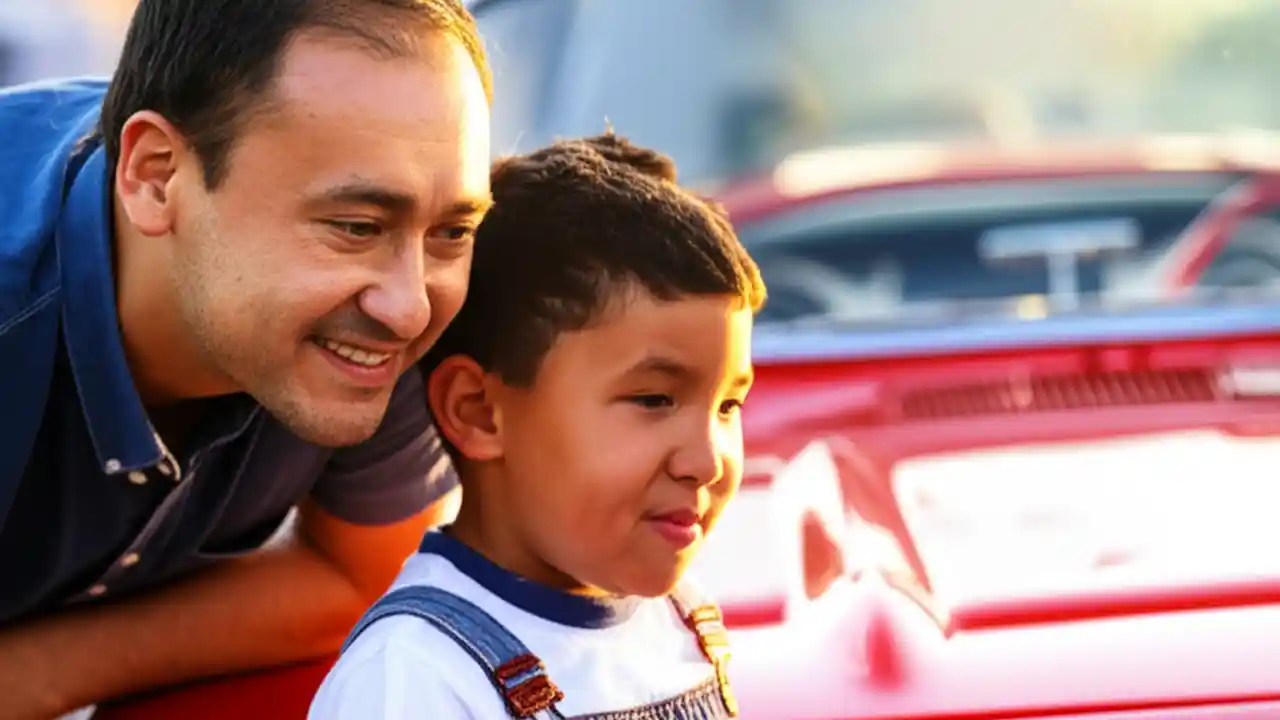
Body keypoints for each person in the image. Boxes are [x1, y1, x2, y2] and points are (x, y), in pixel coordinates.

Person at [0, 0, 492, 715]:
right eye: (355, 226)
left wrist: (33, 677)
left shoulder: (400, 302)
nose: (411, 308)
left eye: (452, 230)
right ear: (156, 175)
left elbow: (355, 571)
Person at [309, 133, 767, 719]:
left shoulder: (682, 619)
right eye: (654, 399)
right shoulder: (412, 677)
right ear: (478, 411)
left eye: (729, 406)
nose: (707, 460)